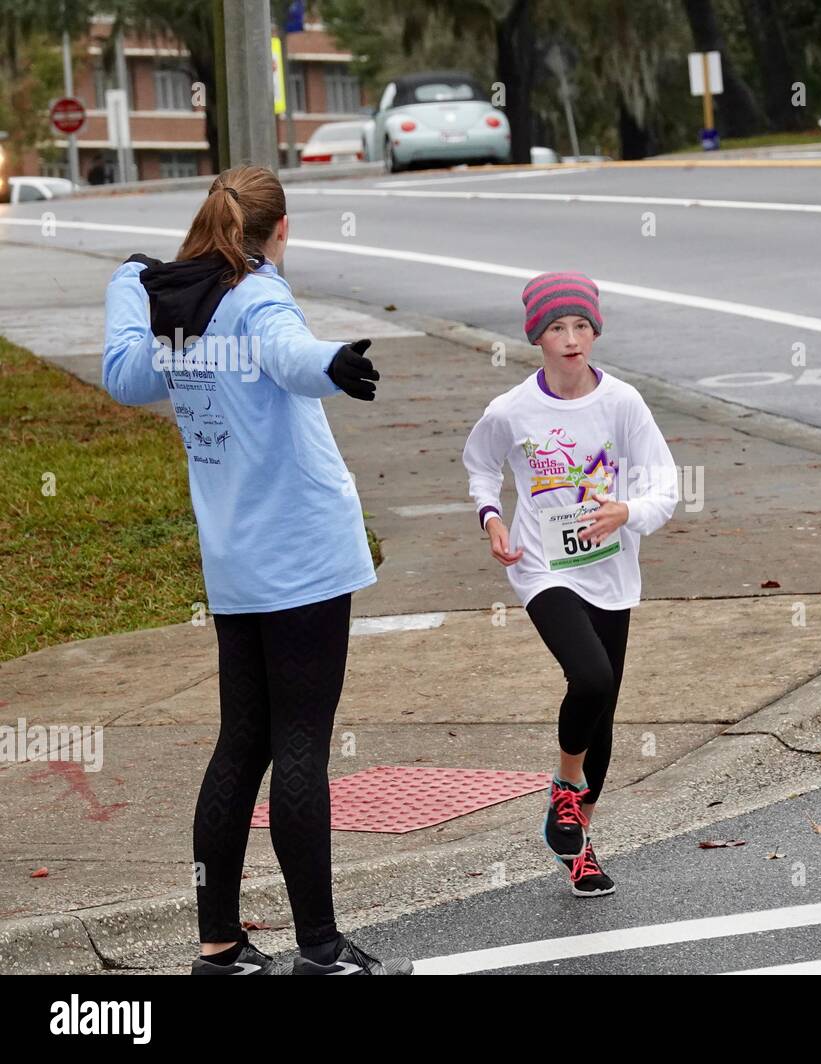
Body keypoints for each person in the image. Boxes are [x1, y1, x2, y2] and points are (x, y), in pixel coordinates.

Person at [102, 165, 409, 973]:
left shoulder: (177, 310)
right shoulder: (258, 294)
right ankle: (320, 947)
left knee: (242, 743)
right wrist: (334, 364)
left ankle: (220, 946)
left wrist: (129, 286)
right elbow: (288, 352)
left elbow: (125, 377)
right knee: (301, 740)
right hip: (302, 556)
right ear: (279, 231)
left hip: (234, 561)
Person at [462, 272, 679, 897]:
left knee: (602, 714)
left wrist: (627, 512)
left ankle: (577, 844)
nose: (572, 339)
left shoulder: (623, 403)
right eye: (557, 328)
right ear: (537, 336)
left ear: (595, 331)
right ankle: (565, 785)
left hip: (611, 568)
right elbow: (480, 467)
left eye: (582, 326)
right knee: (591, 678)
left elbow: (664, 486)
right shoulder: (510, 411)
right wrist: (492, 517)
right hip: (541, 566)